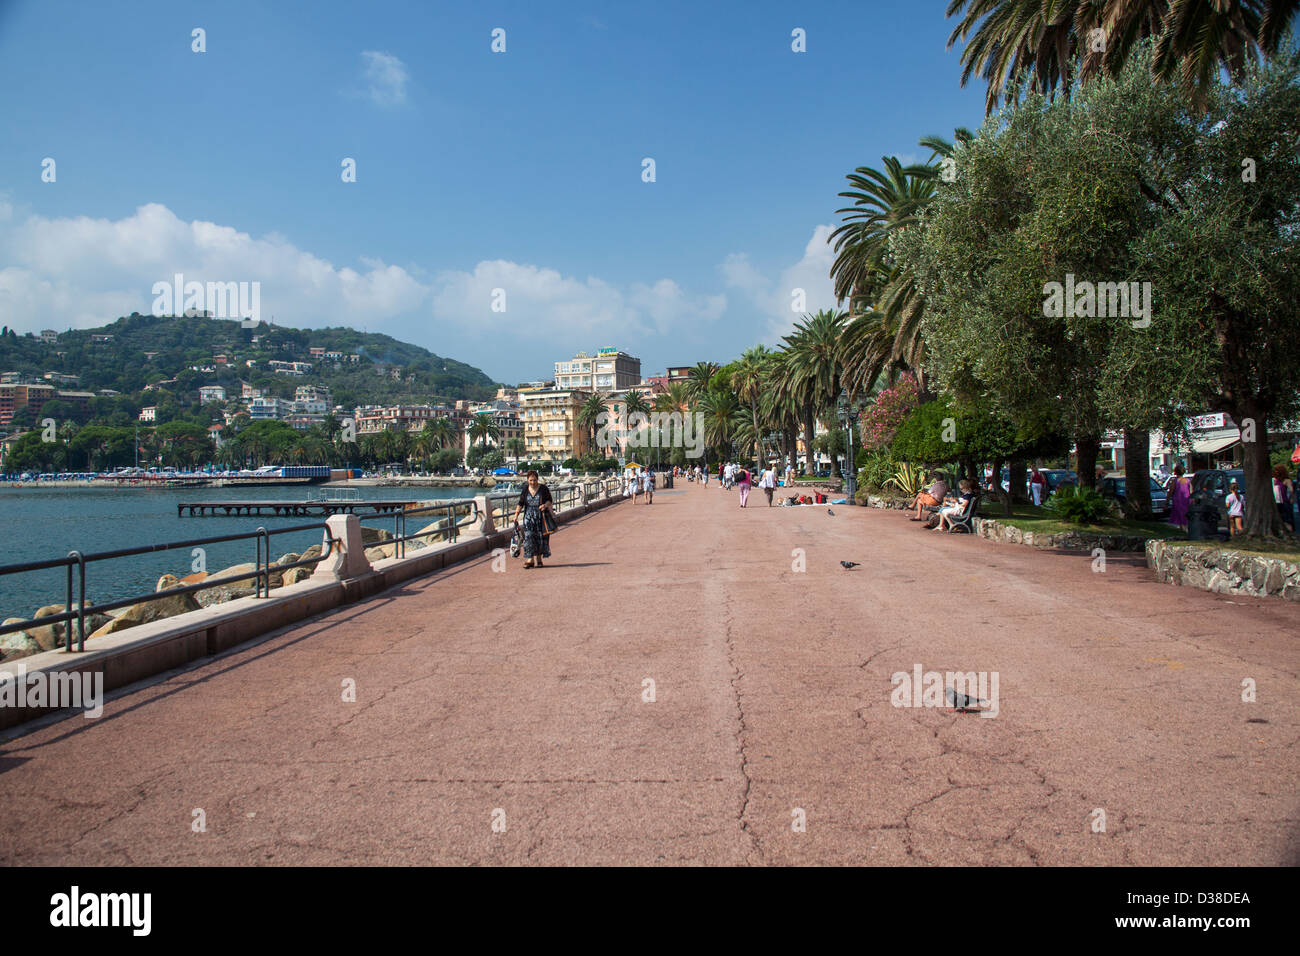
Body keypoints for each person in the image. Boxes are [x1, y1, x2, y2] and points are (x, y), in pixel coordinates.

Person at [512, 470, 554, 568]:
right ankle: (530, 559)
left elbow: (549, 500)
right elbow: (520, 503)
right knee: (529, 538)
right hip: (528, 518)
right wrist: (516, 515)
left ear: (537, 479)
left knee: (540, 538)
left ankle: (539, 559)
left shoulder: (543, 489)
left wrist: (545, 505)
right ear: (527, 480)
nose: (532, 482)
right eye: (530, 480)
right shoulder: (525, 490)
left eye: (534, 480)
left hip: (541, 517)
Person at [1167, 463, 1192, 528]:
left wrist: (1167, 502)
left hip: (1178, 500)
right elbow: (1191, 492)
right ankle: (1185, 528)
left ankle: (1182, 528)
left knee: (1179, 516)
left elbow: (1170, 492)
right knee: (1185, 516)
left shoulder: (1175, 481)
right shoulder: (1188, 480)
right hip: (1187, 501)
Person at [1273, 464, 1294, 531]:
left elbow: (1291, 490)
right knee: (1284, 519)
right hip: (1280, 502)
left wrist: (1291, 498)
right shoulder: (1275, 480)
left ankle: (1289, 532)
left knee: (1286, 520)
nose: (1275, 472)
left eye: (1277, 470)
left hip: (1282, 501)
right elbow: (1291, 490)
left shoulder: (1285, 480)